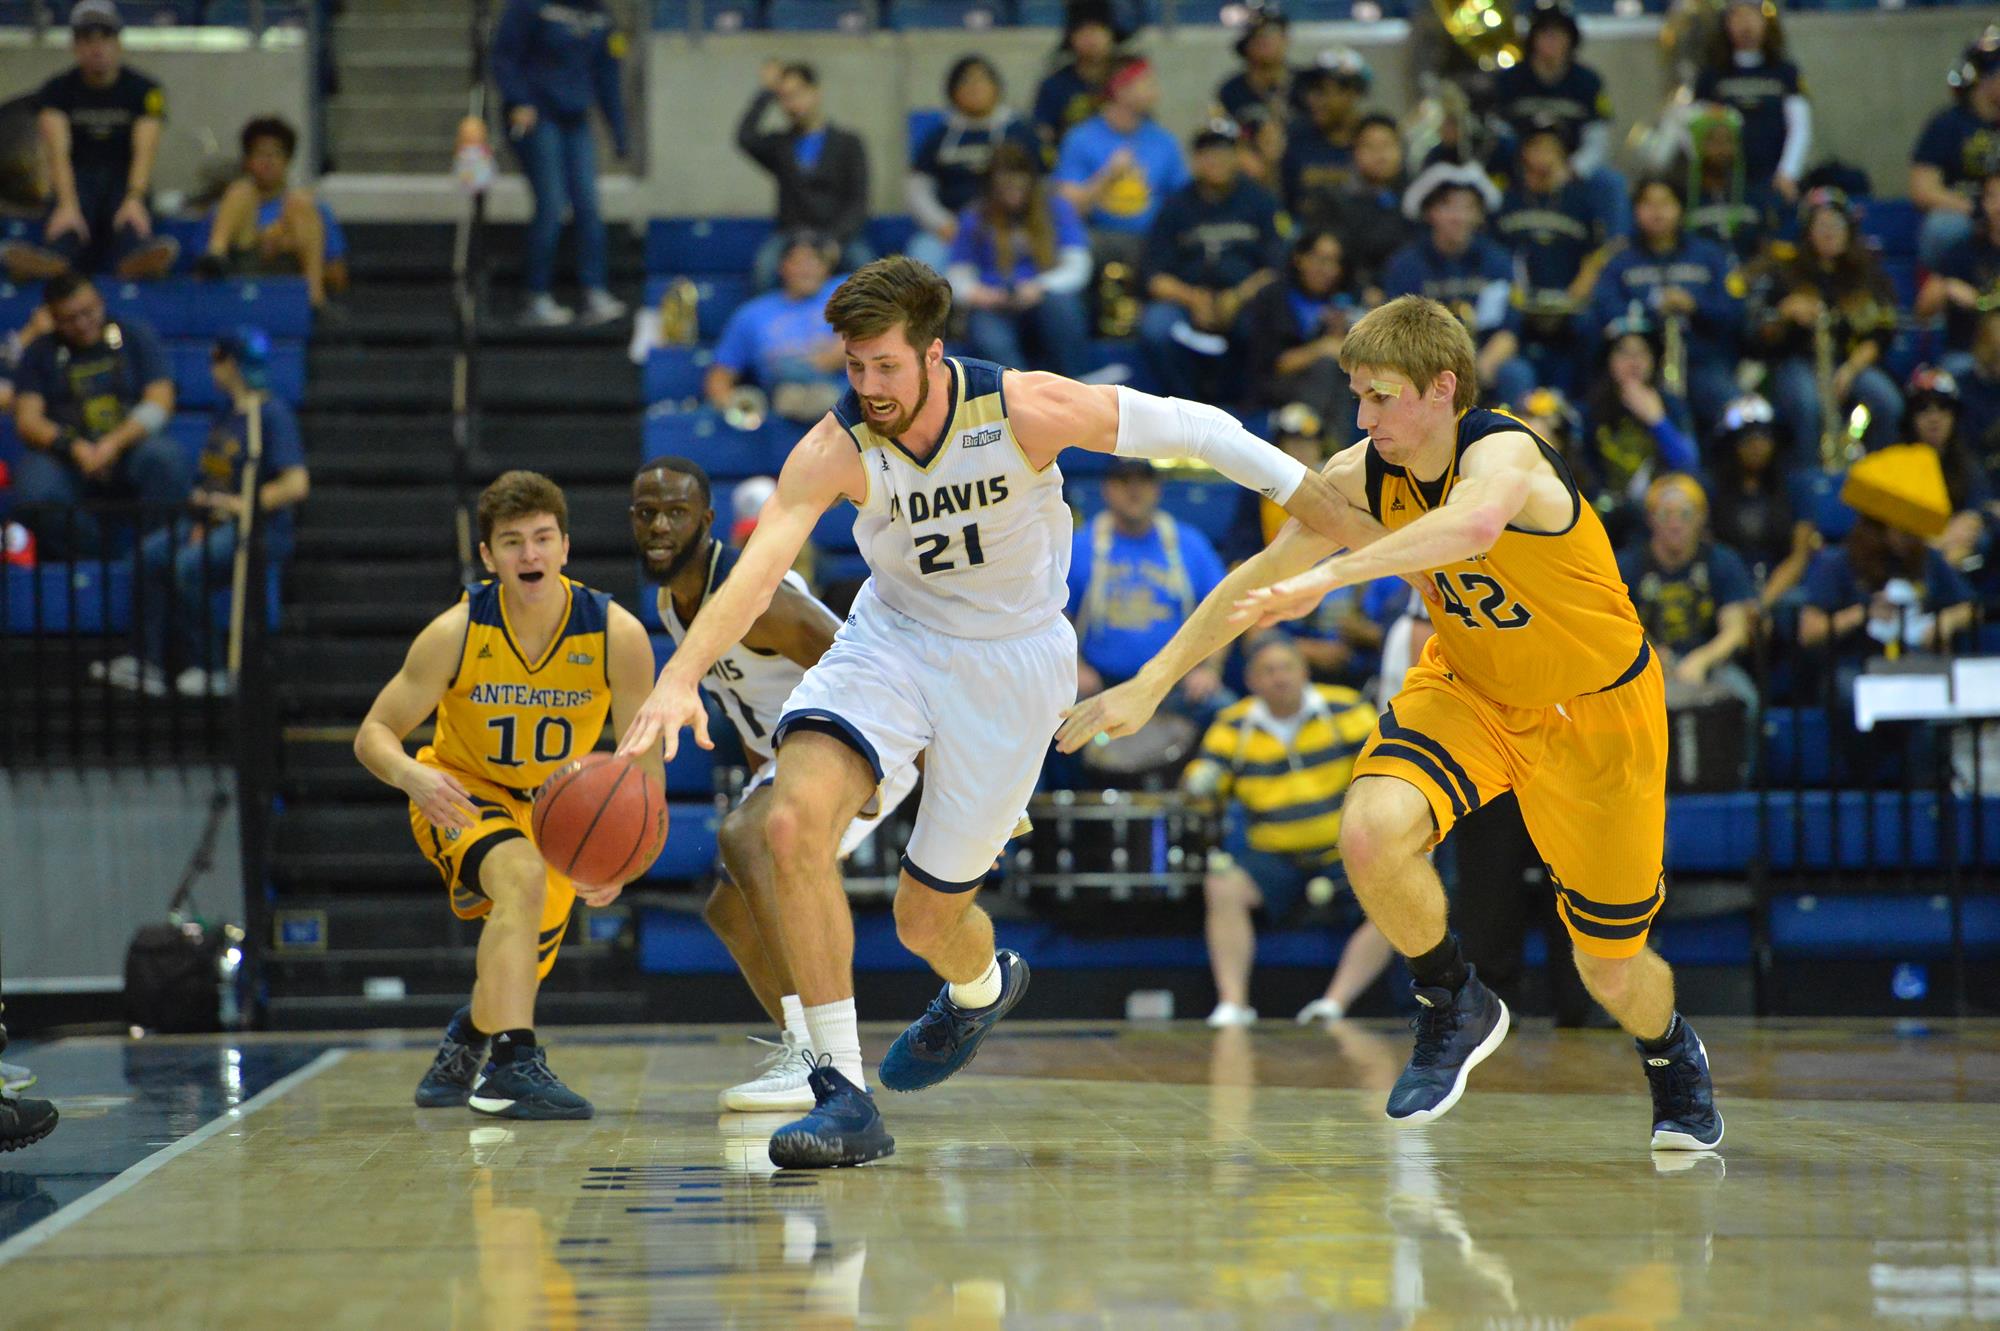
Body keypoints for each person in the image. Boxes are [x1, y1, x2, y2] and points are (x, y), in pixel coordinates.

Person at [616, 256, 1365, 1168]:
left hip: (1012, 665)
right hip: (888, 642)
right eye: (853, 366)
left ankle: (979, 986)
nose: (867, 387)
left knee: (924, 921)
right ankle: (841, 1091)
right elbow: (762, 567)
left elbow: (1196, 427)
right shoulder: (835, 444)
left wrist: (1308, 495)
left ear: (933, 354)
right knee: (786, 824)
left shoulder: (1023, 407)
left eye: (885, 365)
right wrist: (678, 675)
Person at [1060, 295, 1725, 1153]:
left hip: (1597, 711)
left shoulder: (1507, 451)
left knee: (1610, 965)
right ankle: (1452, 996)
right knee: (1370, 835)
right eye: (1355, 396)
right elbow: (1254, 579)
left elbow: (1473, 523)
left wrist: (1335, 578)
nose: (1363, 416)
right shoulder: (1362, 474)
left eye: (1380, 396)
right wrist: (1150, 683)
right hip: (1472, 688)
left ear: (1442, 387)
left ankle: (1670, 1051)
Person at [356, 471, 660, 1120]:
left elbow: (643, 753)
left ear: (565, 547)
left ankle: (471, 1034)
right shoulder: (455, 631)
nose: (530, 554)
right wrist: (413, 775)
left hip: (556, 808)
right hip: (460, 791)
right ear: (488, 557)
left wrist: (631, 856)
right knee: (518, 875)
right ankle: (514, 1064)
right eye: (513, 541)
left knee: (519, 967)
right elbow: (373, 733)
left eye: (543, 538)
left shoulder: (617, 633)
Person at [631, 458, 918, 1113]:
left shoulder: (758, 597)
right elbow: (756, 710)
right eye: (646, 511)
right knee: (727, 909)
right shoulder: (673, 603)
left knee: (747, 835)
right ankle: (803, 1049)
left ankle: (818, 1056)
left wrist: (944, 793)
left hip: (870, 730)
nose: (658, 525)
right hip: (794, 748)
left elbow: (857, 665)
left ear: (707, 523)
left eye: (675, 512)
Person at [1182, 634, 1388, 1027]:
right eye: (1267, 671)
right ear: (1251, 680)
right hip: (1272, 856)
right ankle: (1233, 1004)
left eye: (1286, 668)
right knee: (1222, 884)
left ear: (1303, 671)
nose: (1279, 678)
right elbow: (1204, 787)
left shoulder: (1346, 709)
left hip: (1340, 851)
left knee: (1395, 898)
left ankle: (1333, 1004)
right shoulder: (1234, 724)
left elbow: (1384, 770)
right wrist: (1198, 782)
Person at [92, 329, 309, 700]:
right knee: (149, 556)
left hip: (257, 528)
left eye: (215, 360)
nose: (210, 369)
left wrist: (241, 504)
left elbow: (295, 483)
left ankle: (210, 666)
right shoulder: (225, 415)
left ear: (230, 364)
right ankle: (148, 662)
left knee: (190, 566)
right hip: (208, 519)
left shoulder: (270, 415)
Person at [9, 271, 183, 558]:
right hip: (66, 456)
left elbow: (161, 401)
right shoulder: (40, 352)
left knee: (166, 459)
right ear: (52, 317)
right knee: (34, 490)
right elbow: (28, 420)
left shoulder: (134, 336)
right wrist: (74, 447)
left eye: (88, 312)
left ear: (101, 301)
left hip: (128, 447)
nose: (82, 324)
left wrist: (113, 443)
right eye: (69, 318)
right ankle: (100, 559)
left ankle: (153, 557)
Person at [2, 1, 176, 282]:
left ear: (118, 43)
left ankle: (136, 259)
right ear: (75, 46)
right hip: (76, 181)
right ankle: (53, 260)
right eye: (86, 40)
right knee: (71, 210)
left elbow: (145, 150)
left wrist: (134, 198)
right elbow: (57, 151)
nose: (96, 48)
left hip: (124, 181)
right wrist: (68, 204)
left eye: (105, 38)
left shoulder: (144, 90)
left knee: (128, 213)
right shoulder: (56, 90)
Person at [492, 0, 629, 327]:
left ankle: (594, 291)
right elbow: (504, 57)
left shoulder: (600, 16)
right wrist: (518, 99)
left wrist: (619, 131)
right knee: (551, 204)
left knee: (588, 204)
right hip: (536, 114)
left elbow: (607, 75)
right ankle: (536, 295)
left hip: (575, 116)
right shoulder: (530, 6)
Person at [1070, 458, 1232, 724]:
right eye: (1124, 482)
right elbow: (1055, 616)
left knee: (1222, 709)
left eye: (1143, 482)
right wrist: (1075, 668)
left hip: (1175, 686)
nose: (1134, 490)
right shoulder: (1081, 546)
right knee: (1055, 714)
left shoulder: (1189, 544)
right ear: (1106, 489)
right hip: (1101, 686)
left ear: (1157, 489)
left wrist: (1209, 669)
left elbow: (1224, 608)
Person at [1138, 120, 1283, 402]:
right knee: (1156, 327)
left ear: (1237, 156)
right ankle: (1183, 405)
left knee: (1262, 322)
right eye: (1207, 153)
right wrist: (1193, 299)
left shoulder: (1261, 201)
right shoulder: (1175, 206)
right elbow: (1152, 275)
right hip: (1186, 300)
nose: (1215, 160)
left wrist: (1237, 297)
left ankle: (1249, 407)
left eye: (1224, 152)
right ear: (1195, 160)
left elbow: (1277, 268)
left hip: (1246, 297)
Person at [1585, 177, 1744, 431]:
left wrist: (1695, 306)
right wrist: (1650, 309)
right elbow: (1605, 309)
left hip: (1701, 359)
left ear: (1680, 208)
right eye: (1648, 204)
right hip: (1642, 366)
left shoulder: (1709, 255)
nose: (1657, 212)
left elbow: (1733, 311)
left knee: (1736, 414)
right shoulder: (1621, 260)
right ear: (1635, 210)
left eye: (1665, 203)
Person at [1754, 188, 1901, 456]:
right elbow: (1758, 330)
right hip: (1798, 360)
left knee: (1887, 401)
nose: (1829, 232)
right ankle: (1811, 479)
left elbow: (1884, 331)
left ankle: (1878, 474)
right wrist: (1785, 311)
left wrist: (1849, 370)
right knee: (1808, 404)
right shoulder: (1786, 271)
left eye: (1836, 224)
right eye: (1821, 225)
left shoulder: (1867, 273)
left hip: (1850, 359)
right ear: (1808, 231)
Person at [1383, 164, 1534, 410]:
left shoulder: (1498, 261)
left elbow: (1508, 331)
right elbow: (1397, 333)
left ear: (1480, 215)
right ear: (1429, 212)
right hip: (1421, 365)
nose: (1458, 216)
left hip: (1483, 361)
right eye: (1447, 206)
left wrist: (1479, 369)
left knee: (1516, 372)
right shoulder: (1405, 265)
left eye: (1468, 207)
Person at [1616, 474, 1760, 728]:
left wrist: (1700, 660)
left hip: (1712, 665)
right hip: (1647, 666)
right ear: (1651, 519)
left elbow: (1736, 630)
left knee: (1744, 697)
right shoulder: (1627, 565)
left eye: (1685, 514)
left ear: (1701, 518)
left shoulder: (1722, 560)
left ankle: (1739, 768)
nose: (1675, 524)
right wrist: (1650, 656)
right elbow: (1616, 626)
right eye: (1665, 515)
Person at [946, 141, 1093, 378]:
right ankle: (1019, 394)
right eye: (1005, 188)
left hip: (1043, 298)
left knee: (1063, 308)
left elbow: (1078, 266)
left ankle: (1077, 381)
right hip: (994, 303)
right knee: (990, 336)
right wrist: (979, 294)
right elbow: (958, 274)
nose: (1013, 195)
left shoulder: (1057, 209)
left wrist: (1040, 287)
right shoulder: (975, 216)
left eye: (1019, 186)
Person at [1494, 117, 1618, 394]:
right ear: (1523, 152)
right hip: (1520, 302)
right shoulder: (1507, 200)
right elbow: (1497, 257)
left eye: (1551, 148)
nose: (1543, 156)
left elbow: (1594, 257)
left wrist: (1574, 295)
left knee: (1590, 326)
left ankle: (1582, 405)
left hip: (1568, 301)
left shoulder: (1579, 201)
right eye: (1536, 147)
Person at [1491, 0, 1628, 238]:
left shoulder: (1587, 81)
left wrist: (1573, 169)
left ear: (1571, 39)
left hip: (1571, 165)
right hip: (1517, 165)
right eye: (1545, 33)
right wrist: (1525, 164)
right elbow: (1497, 130)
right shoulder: (1510, 80)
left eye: (1559, 34)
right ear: (1532, 38)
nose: (1552, 41)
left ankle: (1615, 252)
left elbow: (1599, 137)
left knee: (1611, 184)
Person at [737, 61, 871, 291]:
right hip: (790, 235)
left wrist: (835, 240)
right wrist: (766, 92)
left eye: (798, 93)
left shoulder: (848, 142)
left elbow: (858, 201)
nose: (793, 103)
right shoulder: (780, 144)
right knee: (764, 270)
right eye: (784, 97)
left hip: (837, 234)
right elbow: (745, 137)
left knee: (868, 274)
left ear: (815, 92)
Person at [906, 56, 1040, 277]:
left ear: (996, 87)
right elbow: (917, 189)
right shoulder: (939, 135)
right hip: (951, 229)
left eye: (982, 81)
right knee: (918, 270)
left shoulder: (1020, 132)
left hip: (1012, 226)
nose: (975, 88)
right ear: (953, 92)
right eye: (966, 82)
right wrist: (942, 224)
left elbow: (1041, 184)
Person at [1052, 55, 1189, 267]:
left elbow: (1184, 203)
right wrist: (1109, 175)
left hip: (1150, 241)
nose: (1155, 89)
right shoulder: (1080, 138)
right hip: (1095, 239)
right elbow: (1068, 209)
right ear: (1120, 88)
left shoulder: (1164, 141)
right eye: (1147, 82)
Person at [1580, 309, 1700, 547]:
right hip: (1604, 511)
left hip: (1658, 512)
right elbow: (1580, 469)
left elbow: (1689, 466)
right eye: (1624, 352)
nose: (1633, 362)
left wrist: (1658, 421)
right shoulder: (1591, 407)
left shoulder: (1670, 405)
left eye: (1642, 353)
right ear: (1609, 360)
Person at [201, 116, 347, 310]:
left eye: (276, 154)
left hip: (290, 283)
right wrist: (260, 245)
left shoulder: (314, 210)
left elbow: (338, 277)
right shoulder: (224, 208)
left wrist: (290, 246)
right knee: (241, 191)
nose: (268, 161)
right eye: (261, 154)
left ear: (287, 161)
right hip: (239, 280)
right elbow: (198, 275)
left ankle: (314, 301)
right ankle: (217, 254)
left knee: (300, 203)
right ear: (247, 161)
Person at [706, 230, 846, 425]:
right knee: (786, 384)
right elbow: (720, 375)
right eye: (799, 262)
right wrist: (734, 406)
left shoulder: (845, 291)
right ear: (783, 267)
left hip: (838, 389)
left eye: (815, 261)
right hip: (780, 396)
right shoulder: (751, 314)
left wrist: (816, 362)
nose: (808, 269)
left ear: (827, 268)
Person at [1237, 229, 1361, 430]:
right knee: (1328, 366)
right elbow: (1272, 364)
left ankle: (1337, 449)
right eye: (1320, 260)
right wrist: (1323, 347)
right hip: (1273, 388)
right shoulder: (1274, 298)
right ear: (1300, 259)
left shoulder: (1344, 302)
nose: (1327, 270)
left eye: (1335, 262)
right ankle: (1312, 442)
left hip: (1330, 387)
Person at [1693, 0, 1811, 209]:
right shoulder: (1711, 74)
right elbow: (1696, 126)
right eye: (1737, 17)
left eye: (1751, 16)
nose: (1745, 25)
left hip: (1772, 178)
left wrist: (1788, 173)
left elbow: (1800, 126)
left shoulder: (1784, 72)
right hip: (1726, 181)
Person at [1706, 393, 1816, 611]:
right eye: (1747, 438)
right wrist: (1737, 599)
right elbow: (1706, 549)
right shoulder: (1712, 490)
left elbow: (1799, 556)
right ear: (1731, 444)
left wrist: (1762, 603)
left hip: (1781, 588)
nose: (1757, 446)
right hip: (1726, 589)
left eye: (1764, 437)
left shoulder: (1795, 487)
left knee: (1793, 605)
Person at [1911, 30, 2000, 269]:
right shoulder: (1948, 124)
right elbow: (1923, 189)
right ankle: (1945, 290)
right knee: (1942, 227)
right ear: (1986, 78)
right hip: (1966, 215)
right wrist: (1978, 211)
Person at [1901, 367, 1992, 570]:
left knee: (1983, 537)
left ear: (1954, 416)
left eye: (1943, 408)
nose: (1934, 418)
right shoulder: (1894, 464)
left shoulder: (1967, 464)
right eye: (1923, 408)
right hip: (1911, 558)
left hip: (1956, 550)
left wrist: (1956, 534)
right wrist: (1938, 540)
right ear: (1910, 417)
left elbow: (1975, 515)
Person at [1318, 112, 1410, 304]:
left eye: (1387, 145)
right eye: (1370, 146)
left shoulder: (1418, 198)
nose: (1380, 155)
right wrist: (1360, 291)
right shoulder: (1335, 201)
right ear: (1355, 152)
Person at [1278, 50, 1372, 236]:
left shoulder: (1373, 140)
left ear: (1352, 94)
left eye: (1323, 91)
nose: (1313, 100)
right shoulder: (1295, 140)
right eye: (1312, 91)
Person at [1916, 169, 2000, 363]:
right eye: (1993, 196)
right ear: (1984, 203)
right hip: (1968, 356)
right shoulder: (1963, 250)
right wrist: (1946, 289)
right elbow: (1922, 311)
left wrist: (1979, 302)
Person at [1680, 102, 1778, 266]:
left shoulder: (1755, 194)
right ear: (1698, 146)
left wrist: (1746, 276)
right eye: (1714, 142)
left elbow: (1768, 247)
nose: (1722, 150)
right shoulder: (1681, 197)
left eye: (1729, 142)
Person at [1032, 1, 1123, 165]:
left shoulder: (1127, 82)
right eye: (1083, 31)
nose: (1091, 38)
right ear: (1071, 38)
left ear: (1111, 34)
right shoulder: (1054, 85)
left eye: (1097, 29)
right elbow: (1042, 136)